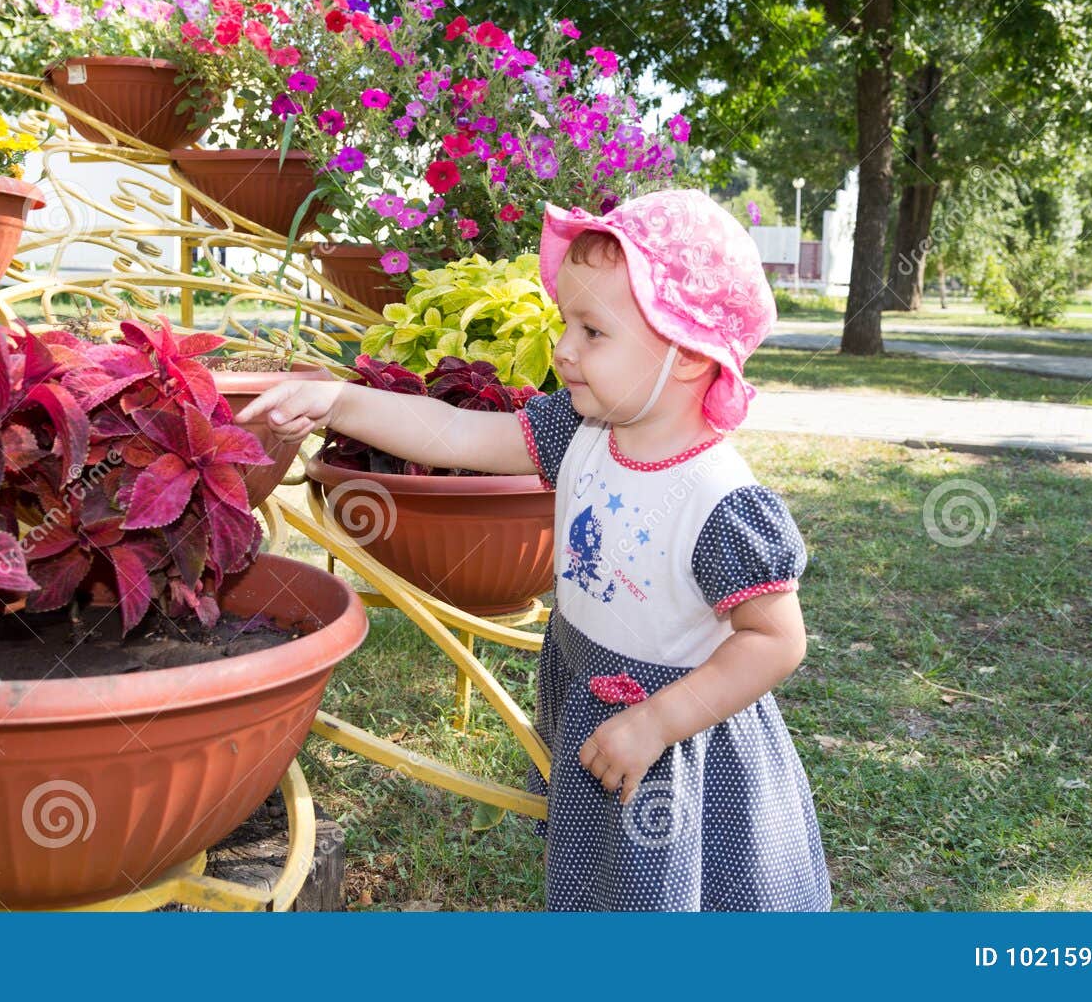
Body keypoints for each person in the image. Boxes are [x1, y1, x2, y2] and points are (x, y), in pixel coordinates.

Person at [235, 189, 831, 912]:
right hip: (597, 701)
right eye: (564, 324)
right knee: (599, 883)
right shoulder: (578, 432)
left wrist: (658, 721)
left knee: (667, 893)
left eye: (592, 331)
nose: (563, 350)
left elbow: (776, 639)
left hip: (677, 746)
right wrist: (339, 403)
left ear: (685, 354)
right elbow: (451, 434)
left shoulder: (719, 499)